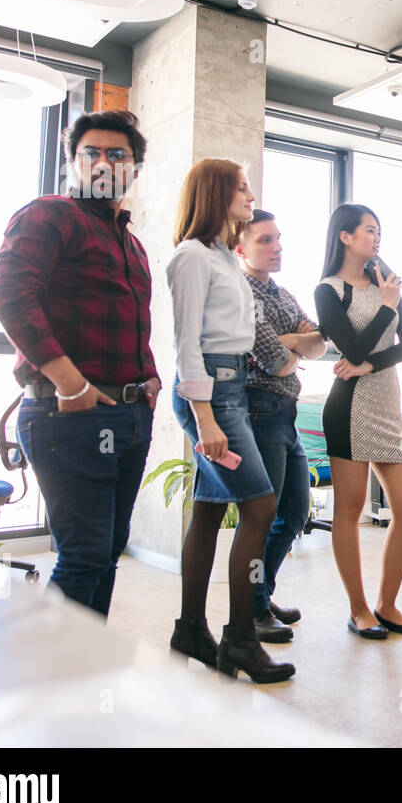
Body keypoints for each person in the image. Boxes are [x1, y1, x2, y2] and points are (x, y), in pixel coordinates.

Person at [0, 109, 161, 617]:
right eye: (92, 152)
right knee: (84, 556)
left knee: (107, 553)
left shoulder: (131, 243)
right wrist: (69, 383)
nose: (105, 162)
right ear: (73, 162)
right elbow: (10, 298)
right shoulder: (49, 214)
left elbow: (132, 321)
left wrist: (149, 377)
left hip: (127, 414)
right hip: (70, 413)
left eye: (118, 154)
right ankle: (50, 686)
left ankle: (84, 676)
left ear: (134, 168)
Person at [167, 159, 294, 683]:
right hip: (211, 394)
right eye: (240, 186)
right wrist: (205, 419)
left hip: (232, 387)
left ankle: (190, 629)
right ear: (215, 194)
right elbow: (185, 345)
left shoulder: (222, 255)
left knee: (207, 511)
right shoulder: (191, 256)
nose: (249, 193)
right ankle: (241, 639)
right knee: (260, 508)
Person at [314, 204, 402, 640]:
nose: (377, 238)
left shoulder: (387, 283)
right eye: (369, 230)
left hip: (386, 406)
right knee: (350, 509)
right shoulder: (328, 290)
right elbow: (351, 350)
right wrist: (386, 308)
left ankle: (388, 604)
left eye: (379, 231)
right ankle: (359, 609)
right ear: (345, 236)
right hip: (349, 409)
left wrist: (366, 365)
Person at [235, 209, 327, 642]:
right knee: (263, 514)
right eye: (265, 241)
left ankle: (261, 593)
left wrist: (287, 342)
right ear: (240, 248)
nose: (276, 248)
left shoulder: (284, 295)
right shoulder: (241, 293)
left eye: (278, 239)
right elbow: (274, 361)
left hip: (285, 411)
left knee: (293, 513)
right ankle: (250, 610)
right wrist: (292, 344)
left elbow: (319, 345)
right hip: (258, 408)